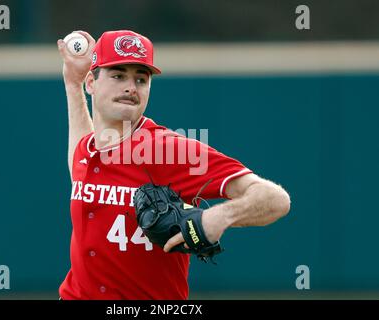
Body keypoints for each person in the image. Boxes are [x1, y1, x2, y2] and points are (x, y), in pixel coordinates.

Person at [56, 30, 291, 300]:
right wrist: (72, 85)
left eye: (141, 79)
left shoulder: (167, 150)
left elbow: (276, 199)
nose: (131, 87)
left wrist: (217, 218)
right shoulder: (88, 149)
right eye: (118, 75)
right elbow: (79, 166)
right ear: (91, 83)